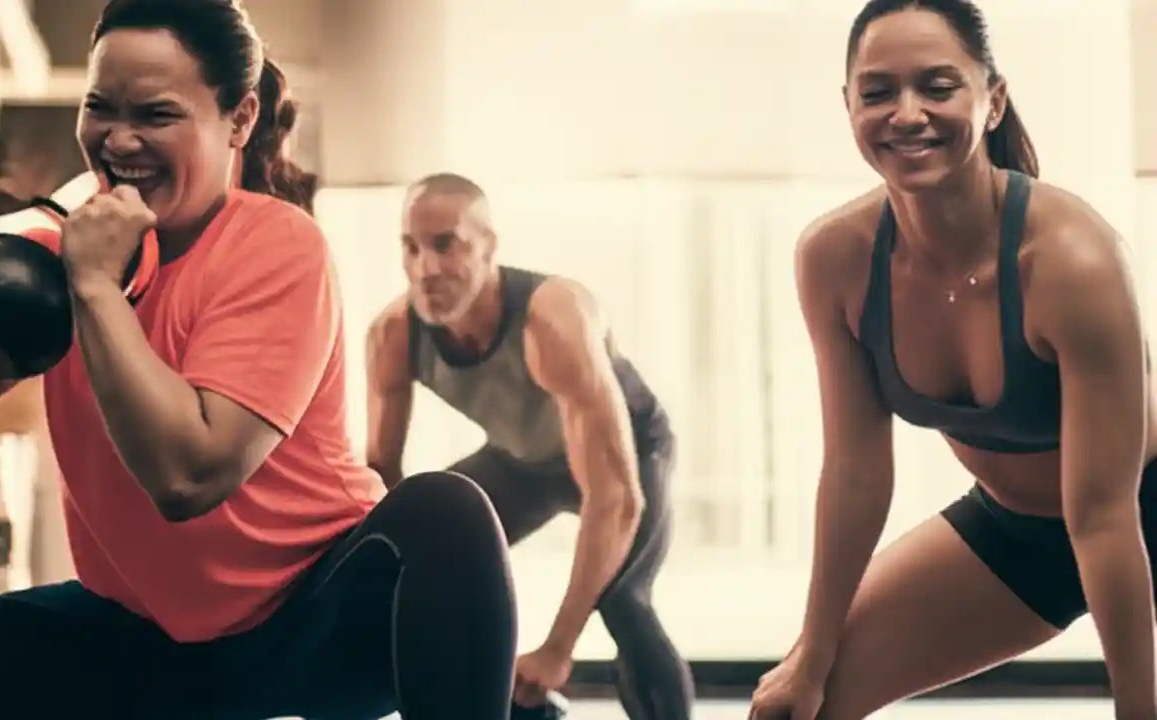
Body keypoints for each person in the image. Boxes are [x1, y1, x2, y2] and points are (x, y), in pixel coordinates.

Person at [0, 2, 518, 719]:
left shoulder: (276, 246)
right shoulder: (64, 260)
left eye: (155, 114)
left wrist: (96, 289)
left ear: (239, 119)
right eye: (100, 107)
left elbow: (190, 476)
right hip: (145, 639)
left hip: (311, 620)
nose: (119, 139)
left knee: (448, 512)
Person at [748, 1, 1157, 719]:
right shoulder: (836, 258)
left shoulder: (1070, 259)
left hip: (1131, 511)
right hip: (1017, 529)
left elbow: (1103, 517)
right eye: (878, 92)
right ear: (849, 106)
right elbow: (854, 472)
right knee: (798, 708)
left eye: (938, 87)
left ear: (992, 101)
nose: (907, 114)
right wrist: (809, 660)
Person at [365, 172, 697, 720]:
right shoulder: (393, 335)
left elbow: (615, 499)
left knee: (623, 598)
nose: (426, 268)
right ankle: (524, 713)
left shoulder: (552, 319)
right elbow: (381, 479)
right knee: (437, 545)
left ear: (488, 245)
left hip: (629, 456)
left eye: (446, 244)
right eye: (411, 247)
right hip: (523, 461)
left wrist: (557, 649)